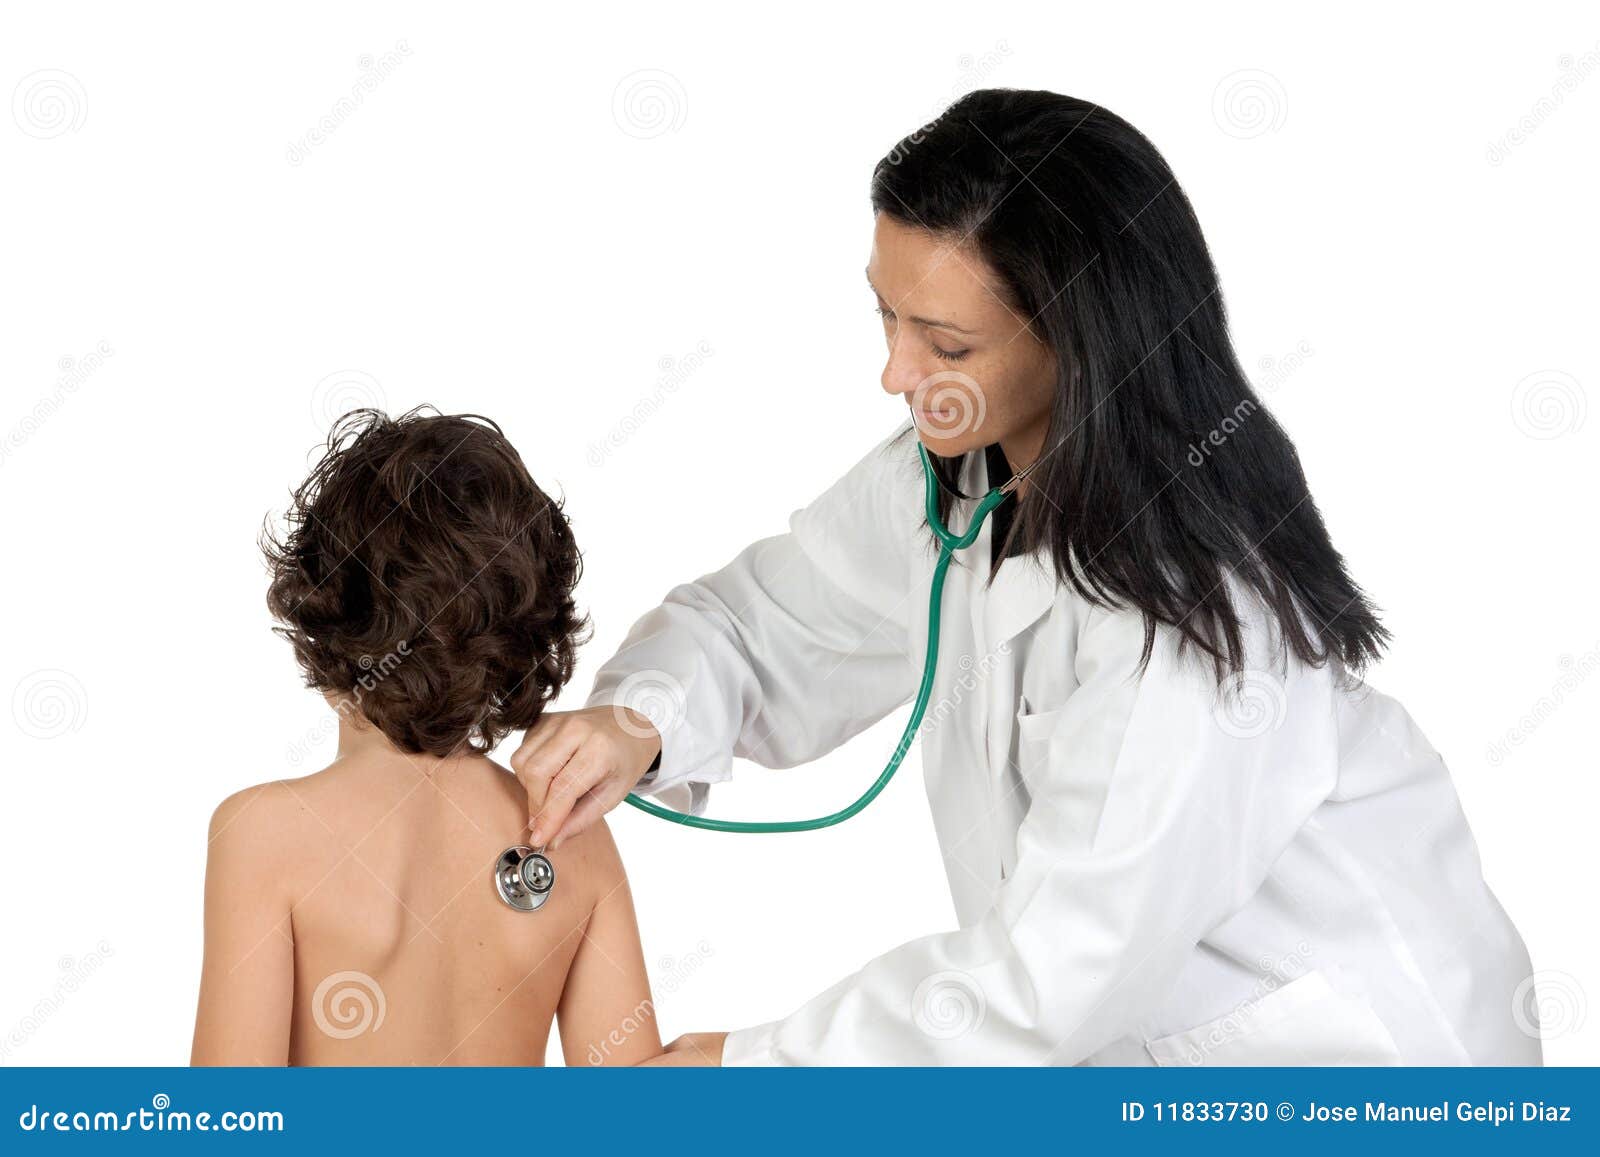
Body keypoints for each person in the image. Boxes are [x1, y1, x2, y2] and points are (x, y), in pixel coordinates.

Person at [510, 89, 1542, 1066]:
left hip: (1366, 1072)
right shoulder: (957, 480)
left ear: (1078, 337)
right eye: (886, 317)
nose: (894, 373)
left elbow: (1052, 976)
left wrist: (751, 1067)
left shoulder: (1193, 620)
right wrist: (640, 719)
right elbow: (758, 623)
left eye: (944, 341)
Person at [192, 408, 660, 1066]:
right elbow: (643, 1116)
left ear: (323, 610)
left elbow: (226, 1122)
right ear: (525, 634)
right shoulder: (573, 836)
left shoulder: (264, 833)